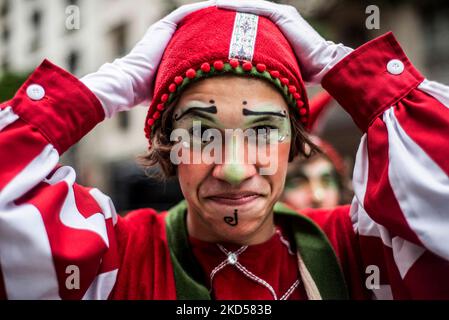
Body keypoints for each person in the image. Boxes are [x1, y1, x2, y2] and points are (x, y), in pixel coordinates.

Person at [0, 0, 448, 300]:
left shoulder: (361, 250)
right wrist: (101, 89)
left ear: (295, 140)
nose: (233, 170)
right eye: (200, 133)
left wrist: (351, 73)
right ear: (166, 145)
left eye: (264, 130)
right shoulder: (112, 263)